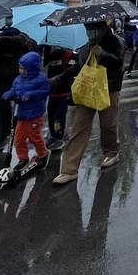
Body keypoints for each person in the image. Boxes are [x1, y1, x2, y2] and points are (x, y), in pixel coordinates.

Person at [53, 19, 124, 186]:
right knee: (79, 127)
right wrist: (59, 78)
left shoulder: (116, 41)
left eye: (92, 29)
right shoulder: (86, 45)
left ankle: (111, 152)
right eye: (87, 29)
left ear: (102, 28)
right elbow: (78, 66)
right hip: (87, 89)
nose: (89, 32)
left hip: (108, 88)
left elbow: (118, 63)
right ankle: (68, 170)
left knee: (108, 124)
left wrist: (103, 55)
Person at [1, 51, 51, 170]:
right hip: (21, 115)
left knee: (35, 137)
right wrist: (9, 94)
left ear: (32, 68)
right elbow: (14, 90)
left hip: (34, 115)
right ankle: (23, 158)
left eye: (25, 69)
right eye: (20, 68)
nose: (22, 71)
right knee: (18, 139)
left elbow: (45, 91)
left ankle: (43, 155)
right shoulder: (18, 79)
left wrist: (31, 94)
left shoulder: (40, 79)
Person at [43, 44, 74, 151]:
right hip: (52, 92)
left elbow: (70, 72)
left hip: (64, 92)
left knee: (58, 116)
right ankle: (53, 134)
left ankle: (58, 136)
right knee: (51, 114)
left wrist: (58, 79)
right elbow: (45, 65)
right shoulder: (52, 55)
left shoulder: (70, 56)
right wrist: (46, 51)